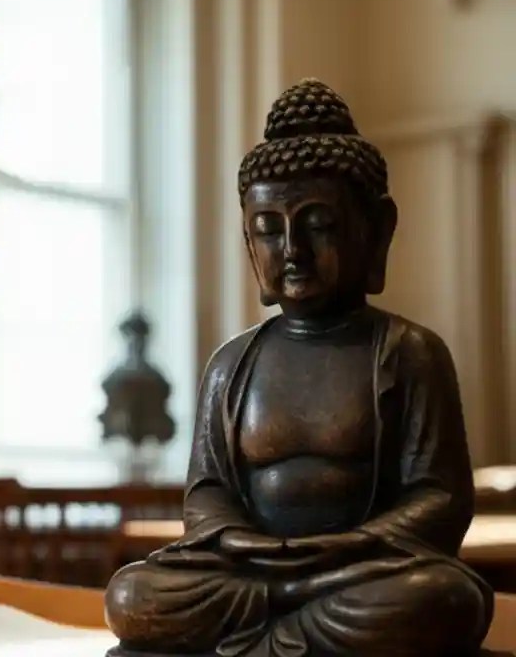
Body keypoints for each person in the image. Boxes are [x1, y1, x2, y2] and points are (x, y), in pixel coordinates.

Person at [103, 79, 493, 656]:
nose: (292, 250)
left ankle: (268, 636)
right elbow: (205, 494)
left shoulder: (409, 352)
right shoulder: (231, 365)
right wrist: (243, 543)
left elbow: (439, 501)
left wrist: (348, 547)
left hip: (360, 571)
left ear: (376, 231)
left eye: (317, 225)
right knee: (131, 594)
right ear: (247, 237)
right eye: (268, 229)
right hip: (253, 575)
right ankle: (296, 634)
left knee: (441, 597)